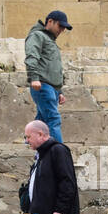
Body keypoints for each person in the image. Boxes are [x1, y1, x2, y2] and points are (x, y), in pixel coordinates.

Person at [25, 10, 71, 144]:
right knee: (53, 119)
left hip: (52, 88)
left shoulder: (50, 40)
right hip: (43, 86)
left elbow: (51, 67)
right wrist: (34, 77)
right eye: (60, 26)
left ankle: (30, 143)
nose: (62, 30)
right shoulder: (37, 36)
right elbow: (31, 57)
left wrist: (59, 91)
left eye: (64, 28)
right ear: (50, 22)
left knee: (41, 122)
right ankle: (59, 153)